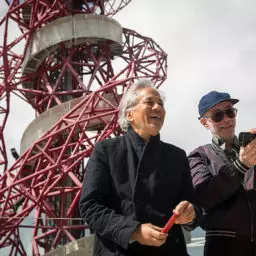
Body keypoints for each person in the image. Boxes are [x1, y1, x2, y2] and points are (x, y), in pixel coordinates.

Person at [79, 79, 200, 256]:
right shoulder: (106, 150)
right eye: (149, 102)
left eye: (160, 104)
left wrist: (190, 214)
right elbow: (90, 207)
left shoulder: (177, 155)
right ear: (129, 115)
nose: (157, 107)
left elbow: (193, 205)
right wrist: (134, 231)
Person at [188, 90, 256, 256]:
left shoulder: (251, 149)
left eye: (230, 112)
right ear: (205, 123)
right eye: (217, 116)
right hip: (223, 248)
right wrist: (241, 165)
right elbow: (204, 196)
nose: (226, 119)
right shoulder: (199, 155)